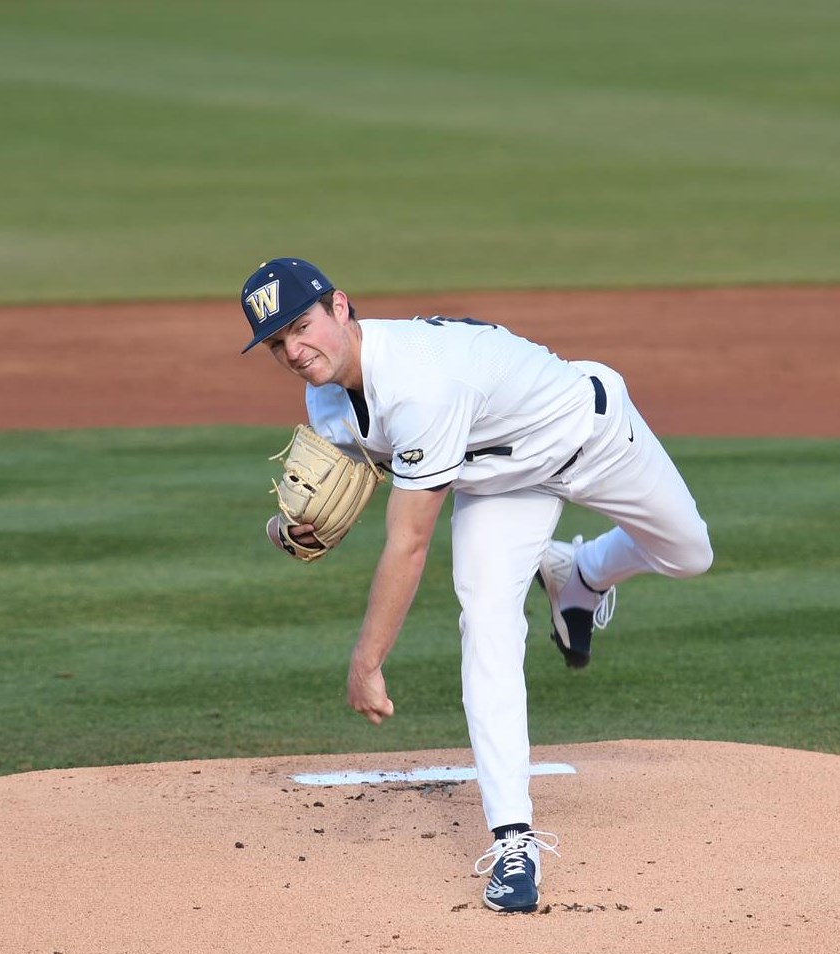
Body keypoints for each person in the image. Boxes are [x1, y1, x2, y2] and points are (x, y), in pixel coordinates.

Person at [239, 258, 713, 913]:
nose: (293, 350)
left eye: (301, 325)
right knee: (487, 620)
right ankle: (514, 841)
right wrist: (285, 532)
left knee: (691, 553)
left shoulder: (420, 383)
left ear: (340, 306)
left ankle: (582, 575)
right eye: (276, 342)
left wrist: (366, 661)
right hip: (500, 491)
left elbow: (407, 544)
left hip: (594, 437)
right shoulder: (325, 403)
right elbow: (343, 492)